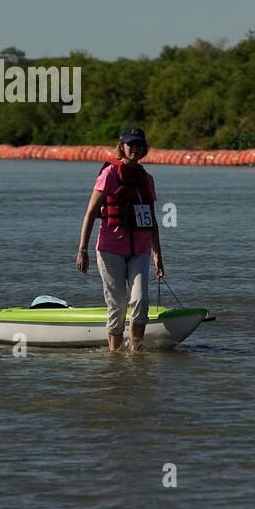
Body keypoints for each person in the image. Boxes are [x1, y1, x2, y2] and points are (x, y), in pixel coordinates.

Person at [76, 127, 164, 351]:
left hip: (140, 250)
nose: (135, 148)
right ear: (121, 147)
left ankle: (136, 351)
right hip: (110, 249)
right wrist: (82, 250)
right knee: (117, 305)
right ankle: (115, 355)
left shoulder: (147, 179)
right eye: (130, 144)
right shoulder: (109, 175)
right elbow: (90, 213)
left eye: (139, 144)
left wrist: (158, 256)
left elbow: (152, 220)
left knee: (140, 299)